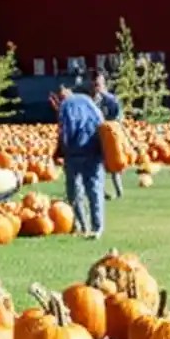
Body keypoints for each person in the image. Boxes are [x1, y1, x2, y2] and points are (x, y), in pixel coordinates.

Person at [55, 84, 107, 239]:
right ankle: (97, 227)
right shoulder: (88, 101)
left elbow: (65, 131)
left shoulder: (65, 106)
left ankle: (81, 225)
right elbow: (101, 122)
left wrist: (61, 151)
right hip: (94, 149)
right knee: (94, 188)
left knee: (74, 190)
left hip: (74, 152)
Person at [92, 74, 125, 200]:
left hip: (109, 135)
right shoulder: (91, 101)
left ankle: (119, 191)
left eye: (99, 85)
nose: (97, 88)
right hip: (95, 135)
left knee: (113, 165)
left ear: (104, 84)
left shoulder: (111, 100)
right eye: (95, 85)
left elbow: (118, 117)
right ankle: (101, 191)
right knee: (96, 164)